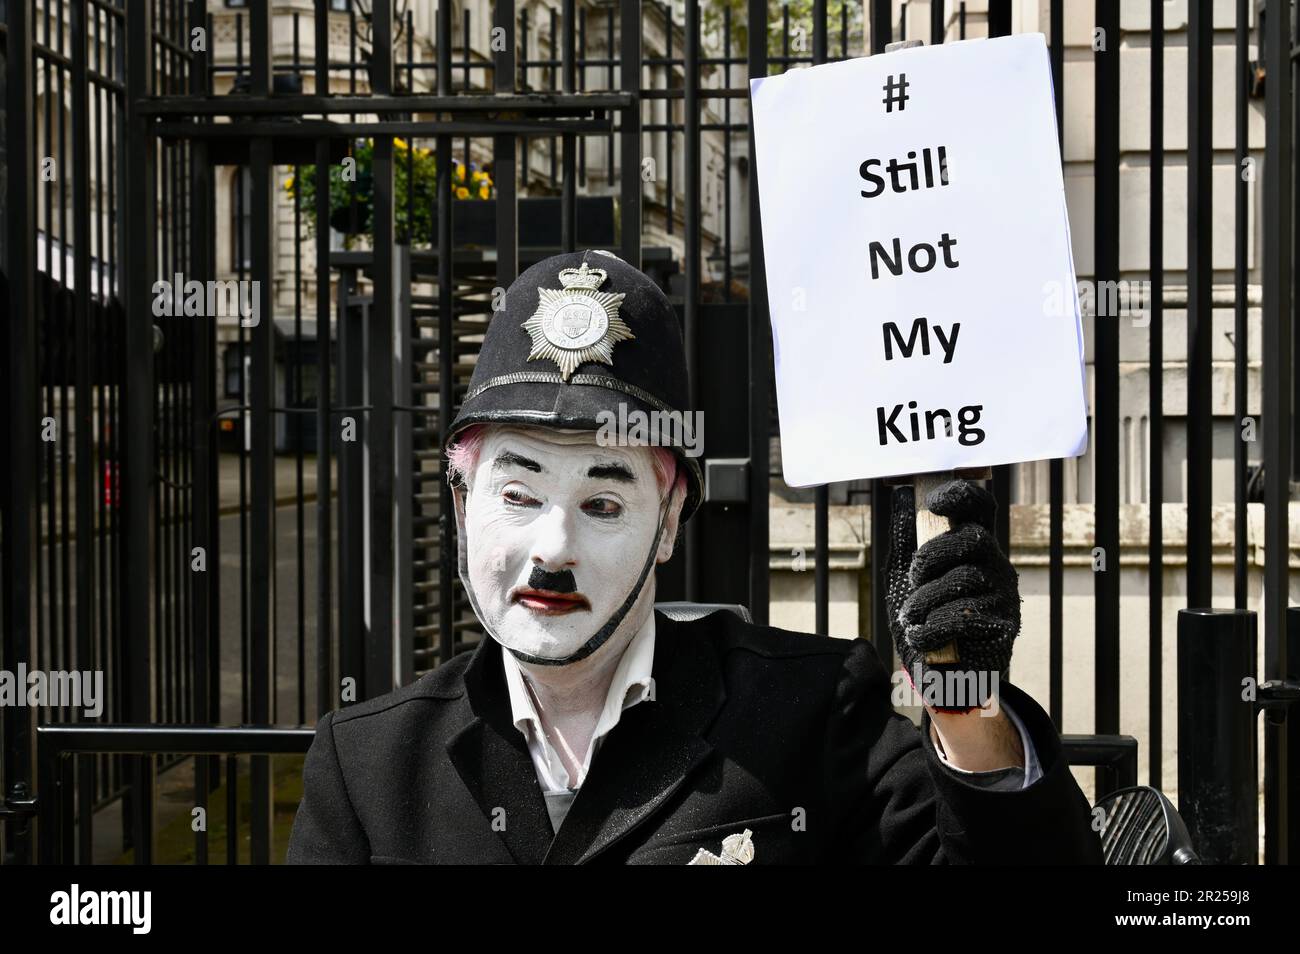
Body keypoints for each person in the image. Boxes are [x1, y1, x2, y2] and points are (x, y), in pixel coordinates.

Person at [286, 248, 1102, 864]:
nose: (554, 549)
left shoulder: (814, 715)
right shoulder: (366, 768)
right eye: (519, 495)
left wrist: (968, 712)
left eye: (604, 504)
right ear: (463, 505)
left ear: (671, 519)